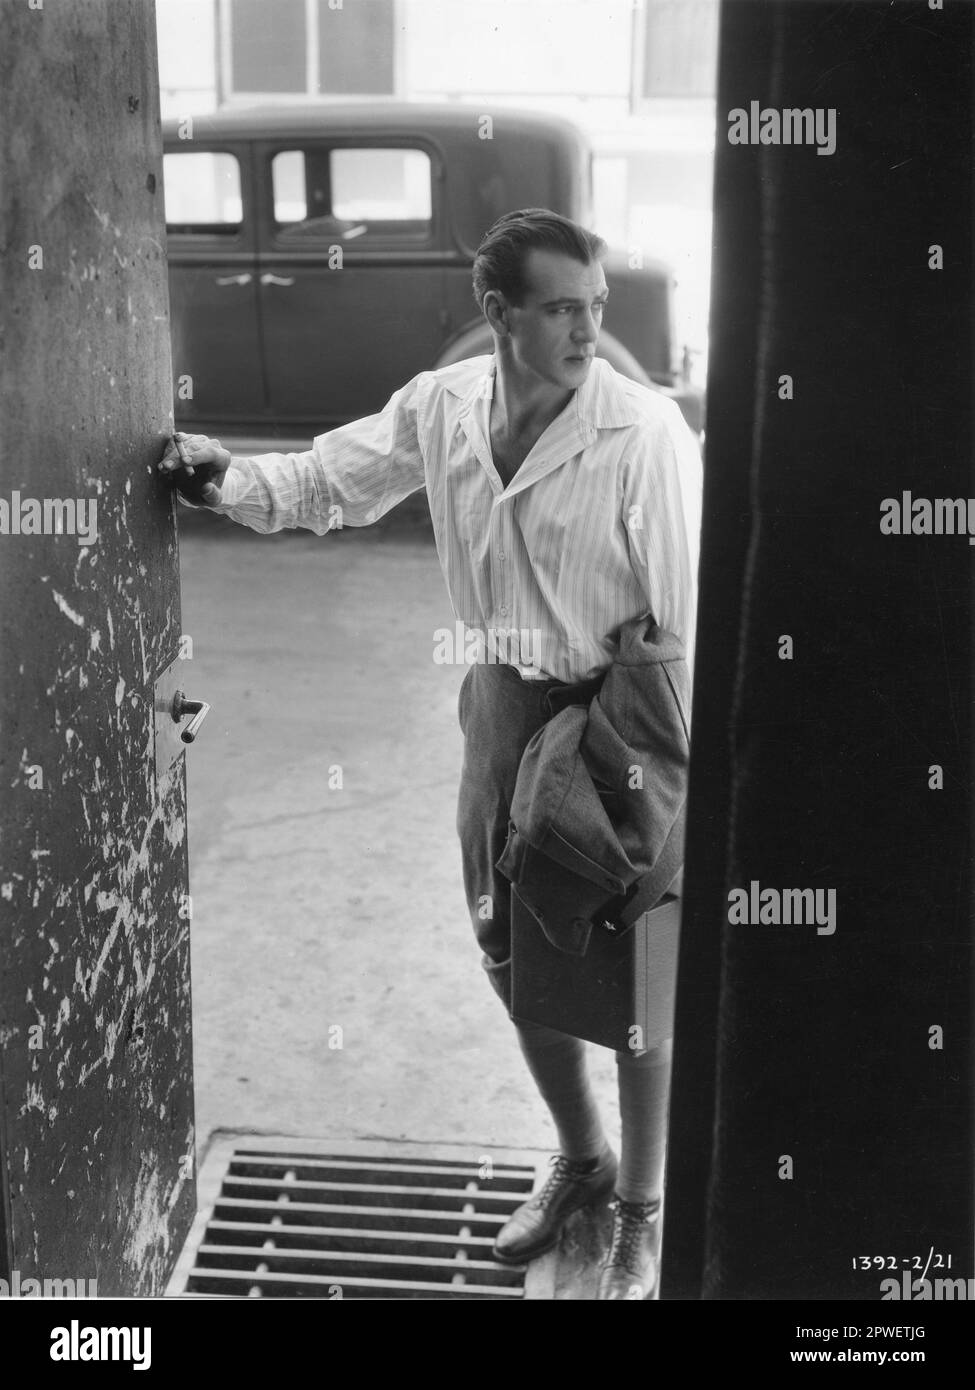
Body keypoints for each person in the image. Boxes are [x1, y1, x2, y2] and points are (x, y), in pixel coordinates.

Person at [159, 208, 702, 1299]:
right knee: (516, 959)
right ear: (496, 314)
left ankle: (644, 1212)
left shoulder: (642, 437)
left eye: (594, 307)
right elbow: (328, 483)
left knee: (640, 977)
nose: (587, 329)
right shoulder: (444, 406)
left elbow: (690, 617)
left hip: (625, 719)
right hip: (503, 708)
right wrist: (223, 478)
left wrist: (682, 772)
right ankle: (583, 1164)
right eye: (559, 309)